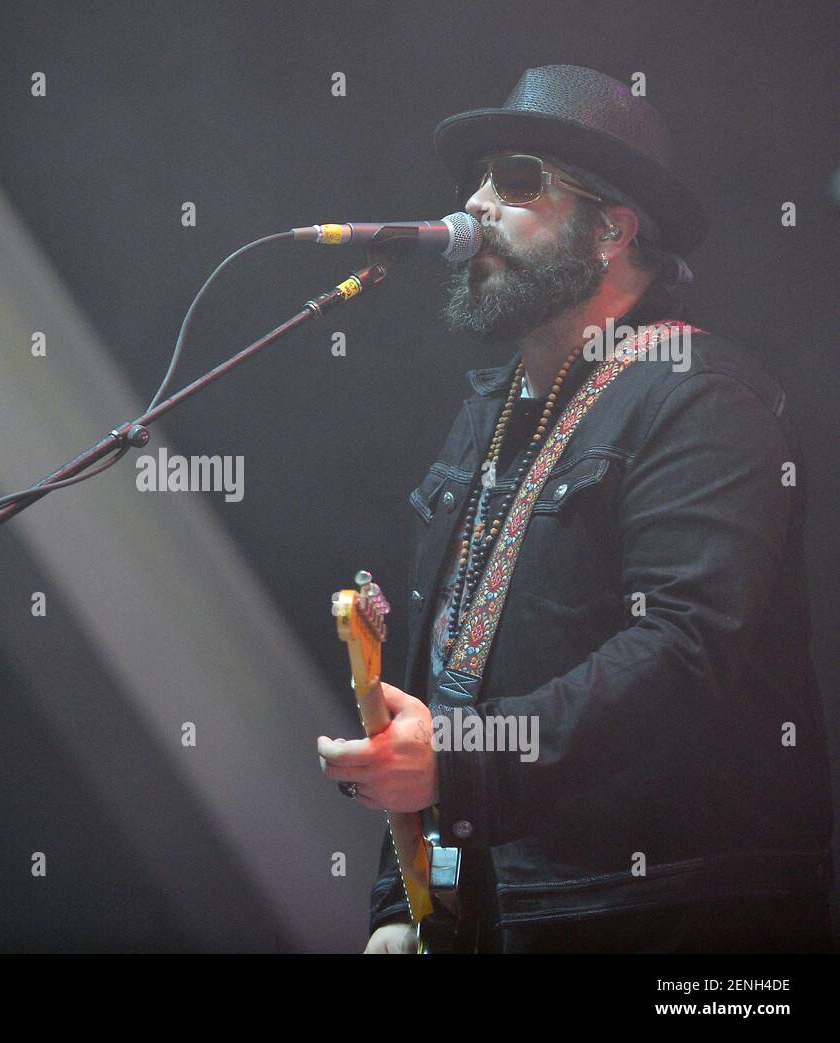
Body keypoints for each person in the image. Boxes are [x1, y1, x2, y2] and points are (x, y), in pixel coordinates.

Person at [316, 65, 834, 953]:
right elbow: (443, 672)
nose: (475, 206)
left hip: (666, 922)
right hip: (488, 909)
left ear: (610, 230)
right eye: (475, 180)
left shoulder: (704, 399)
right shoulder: (489, 411)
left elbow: (681, 649)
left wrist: (464, 762)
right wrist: (403, 897)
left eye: (515, 181)